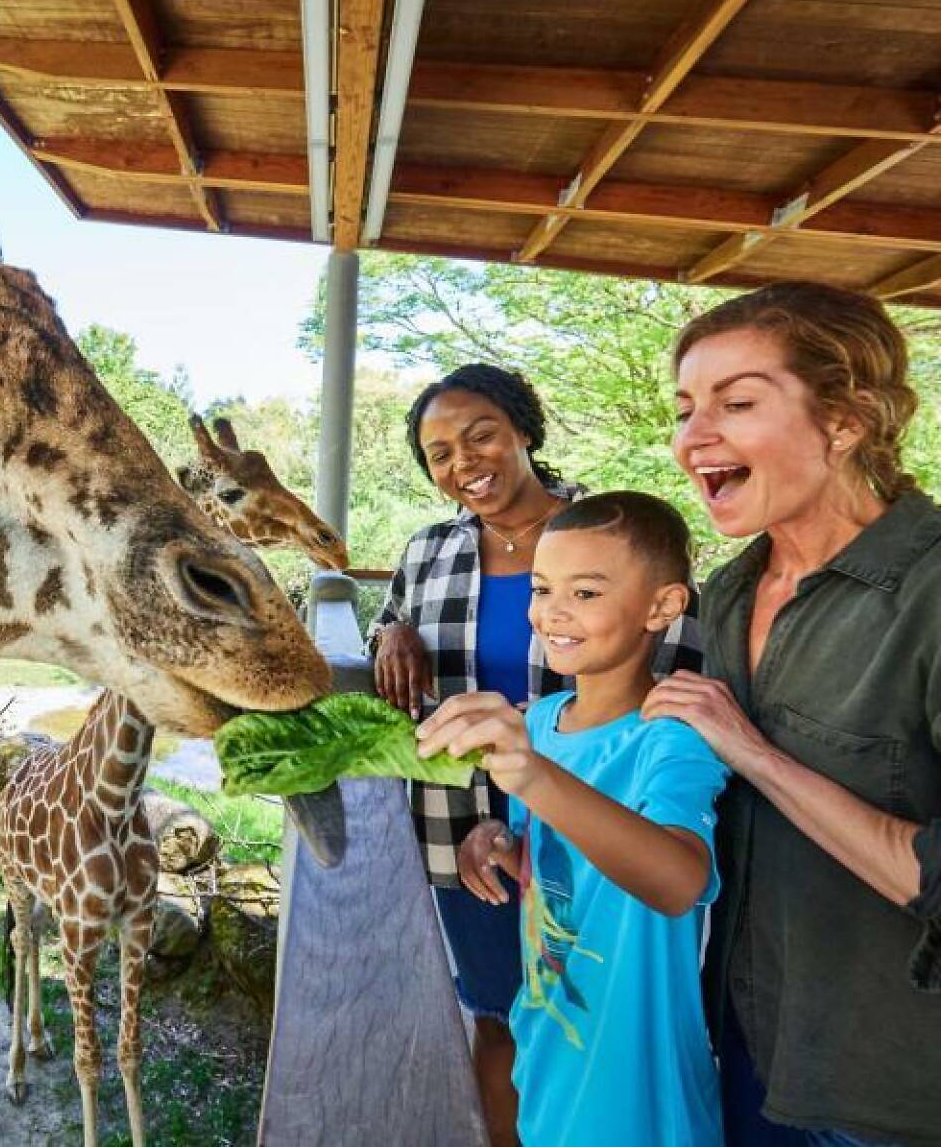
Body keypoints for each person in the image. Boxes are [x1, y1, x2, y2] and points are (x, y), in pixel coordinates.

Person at [367, 365, 698, 1145]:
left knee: (599, 1016)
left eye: (480, 434)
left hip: (597, 827)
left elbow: (680, 670)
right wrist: (392, 632)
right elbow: (388, 617)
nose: (463, 462)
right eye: (439, 453)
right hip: (466, 830)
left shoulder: (607, 533)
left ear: (523, 429)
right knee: (499, 1013)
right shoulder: (429, 550)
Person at [643, 281, 941, 1146]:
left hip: (889, 1096)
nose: (693, 437)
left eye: (736, 403)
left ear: (844, 422)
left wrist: (758, 755)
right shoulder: (732, 590)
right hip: (749, 1045)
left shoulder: (928, 593)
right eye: (686, 409)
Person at [422, 491, 727, 1147]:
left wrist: (532, 775)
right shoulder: (540, 722)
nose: (552, 612)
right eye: (541, 589)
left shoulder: (673, 738)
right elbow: (561, 873)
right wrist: (501, 843)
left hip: (634, 1078)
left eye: (585, 592)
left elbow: (678, 882)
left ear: (663, 607)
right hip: (549, 1040)